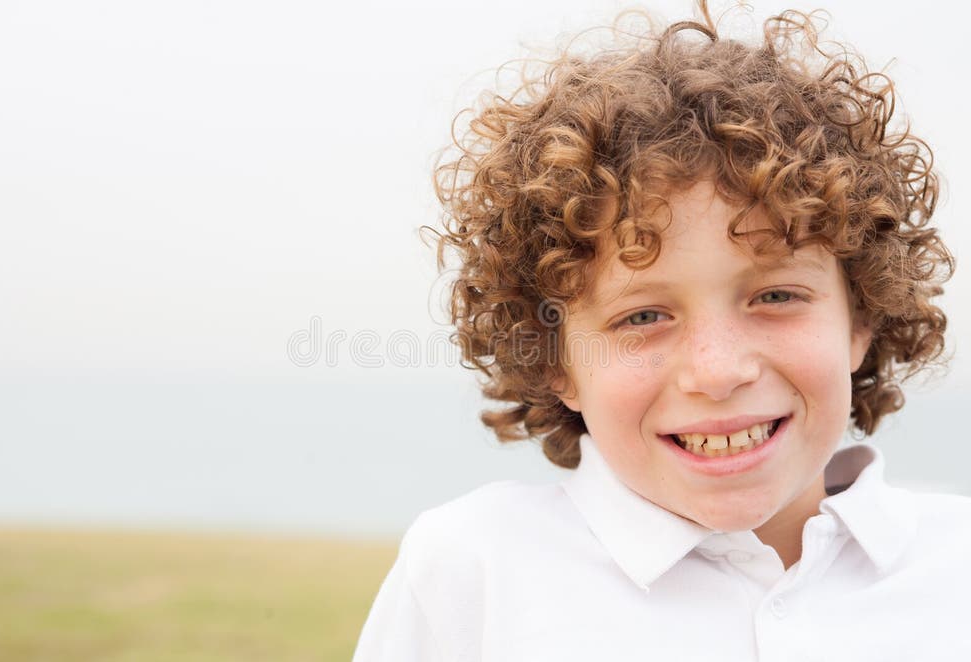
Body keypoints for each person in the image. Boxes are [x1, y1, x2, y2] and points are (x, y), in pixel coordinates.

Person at [353, 2, 971, 659]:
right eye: (642, 315)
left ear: (862, 316)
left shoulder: (953, 568)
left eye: (776, 295)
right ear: (556, 357)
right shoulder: (473, 572)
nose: (717, 370)